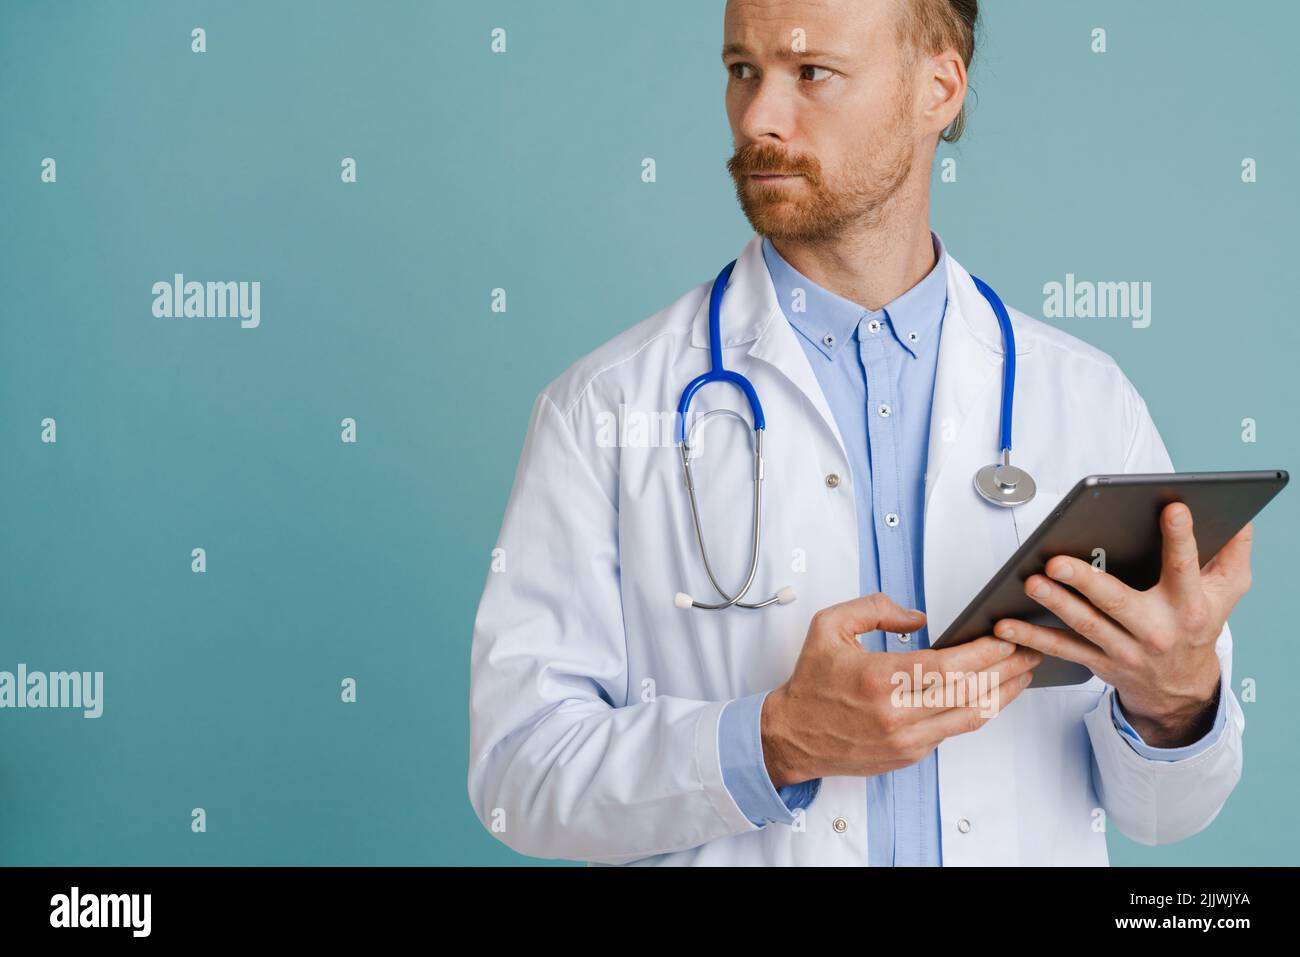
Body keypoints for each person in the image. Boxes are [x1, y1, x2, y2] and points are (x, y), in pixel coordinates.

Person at [467, 0, 1250, 866]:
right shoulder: (604, 410)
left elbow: (1166, 814)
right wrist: (773, 741)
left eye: (811, 73)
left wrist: (1178, 700)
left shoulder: (1087, 400)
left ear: (937, 88)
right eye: (742, 71)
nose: (758, 118)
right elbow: (517, 773)